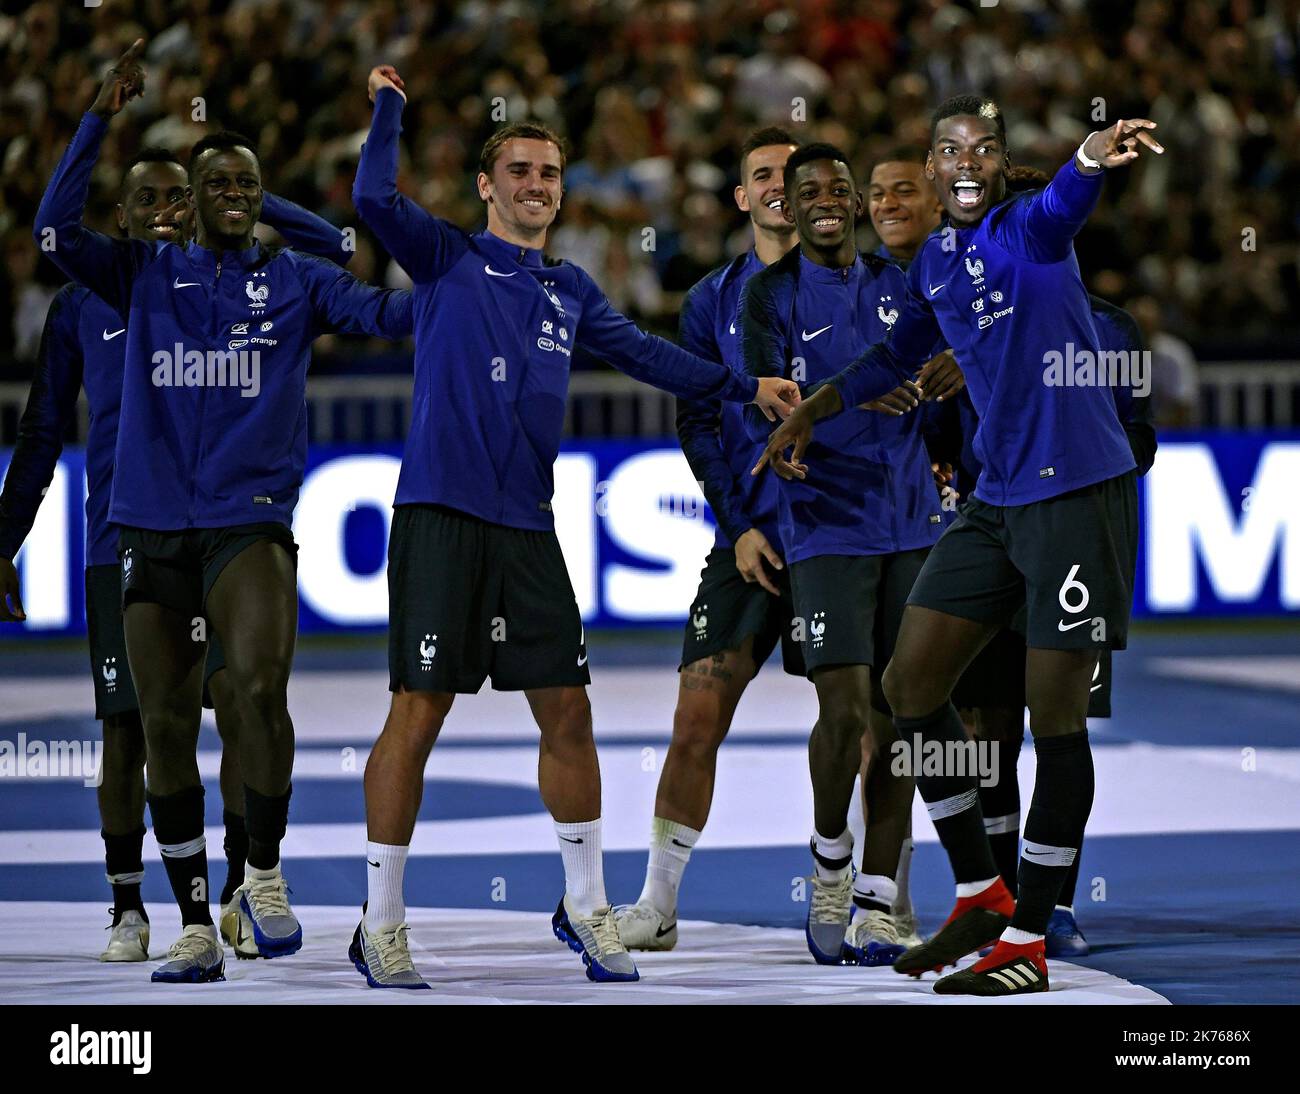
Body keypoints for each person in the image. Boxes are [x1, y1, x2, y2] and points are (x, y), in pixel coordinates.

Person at [350, 65, 799, 988]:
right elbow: (367, 193)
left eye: (549, 173)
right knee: (418, 714)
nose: (535, 186)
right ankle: (380, 921)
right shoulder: (444, 257)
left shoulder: (570, 289)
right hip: (438, 518)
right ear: (486, 186)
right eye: (518, 170)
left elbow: (645, 355)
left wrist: (742, 384)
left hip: (528, 530)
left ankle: (586, 906)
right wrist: (392, 102)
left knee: (568, 711)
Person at [754, 96, 1162, 995]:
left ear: (996, 163)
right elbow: (892, 360)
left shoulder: (1030, 230)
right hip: (998, 500)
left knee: (1052, 722)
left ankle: (1027, 938)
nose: (965, 160)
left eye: (982, 148)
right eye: (949, 149)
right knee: (908, 687)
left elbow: (1067, 197)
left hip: (1075, 498)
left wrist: (1091, 152)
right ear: (933, 172)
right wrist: (810, 418)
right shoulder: (936, 260)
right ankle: (979, 891)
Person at [33, 40, 413, 984]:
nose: (237, 193)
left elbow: (370, 291)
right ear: (185, 205)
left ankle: (265, 873)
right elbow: (49, 233)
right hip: (150, 528)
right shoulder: (140, 277)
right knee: (161, 724)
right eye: (218, 184)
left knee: (253, 690)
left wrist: (258, 190)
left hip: (250, 519)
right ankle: (194, 921)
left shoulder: (292, 281)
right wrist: (97, 122)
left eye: (249, 182)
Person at [0, 142, 353, 964]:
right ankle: (132, 906)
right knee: (132, 732)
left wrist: (252, 208)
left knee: (241, 706)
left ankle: (237, 893)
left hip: (223, 534)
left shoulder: (211, 290)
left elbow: (332, 251)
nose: (166, 210)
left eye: (176, 197)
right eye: (148, 199)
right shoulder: (92, 300)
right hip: (121, 543)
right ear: (119, 218)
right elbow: (41, 434)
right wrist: (5, 540)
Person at [739, 143, 960, 966]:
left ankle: (875, 895)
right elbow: (771, 399)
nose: (827, 201)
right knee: (842, 712)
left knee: (900, 711)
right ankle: (830, 855)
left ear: (857, 204)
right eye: (809, 192)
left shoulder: (904, 284)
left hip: (911, 521)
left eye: (840, 188)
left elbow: (949, 365)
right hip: (825, 522)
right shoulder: (769, 294)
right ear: (788, 209)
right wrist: (845, 401)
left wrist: (942, 379)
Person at [937, 164, 1157, 960]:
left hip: (1070, 536)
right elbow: (940, 427)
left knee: (1059, 725)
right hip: (996, 531)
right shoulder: (968, 315)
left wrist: (1075, 452)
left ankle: (1053, 901)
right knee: (984, 728)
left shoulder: (1113, 331)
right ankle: (998, 888)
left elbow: (1141, 439)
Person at [616, 127, 803, 952]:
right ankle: (657, 905)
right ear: (740, 197)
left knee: (866, 726)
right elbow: (697, 422)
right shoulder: (709, 301)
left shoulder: (865, 287)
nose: (777, 185)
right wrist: (738, 529)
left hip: (847, 539)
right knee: (695, 714)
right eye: (761, 174)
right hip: (748, 537)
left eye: (793, 174)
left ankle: (870, 894)